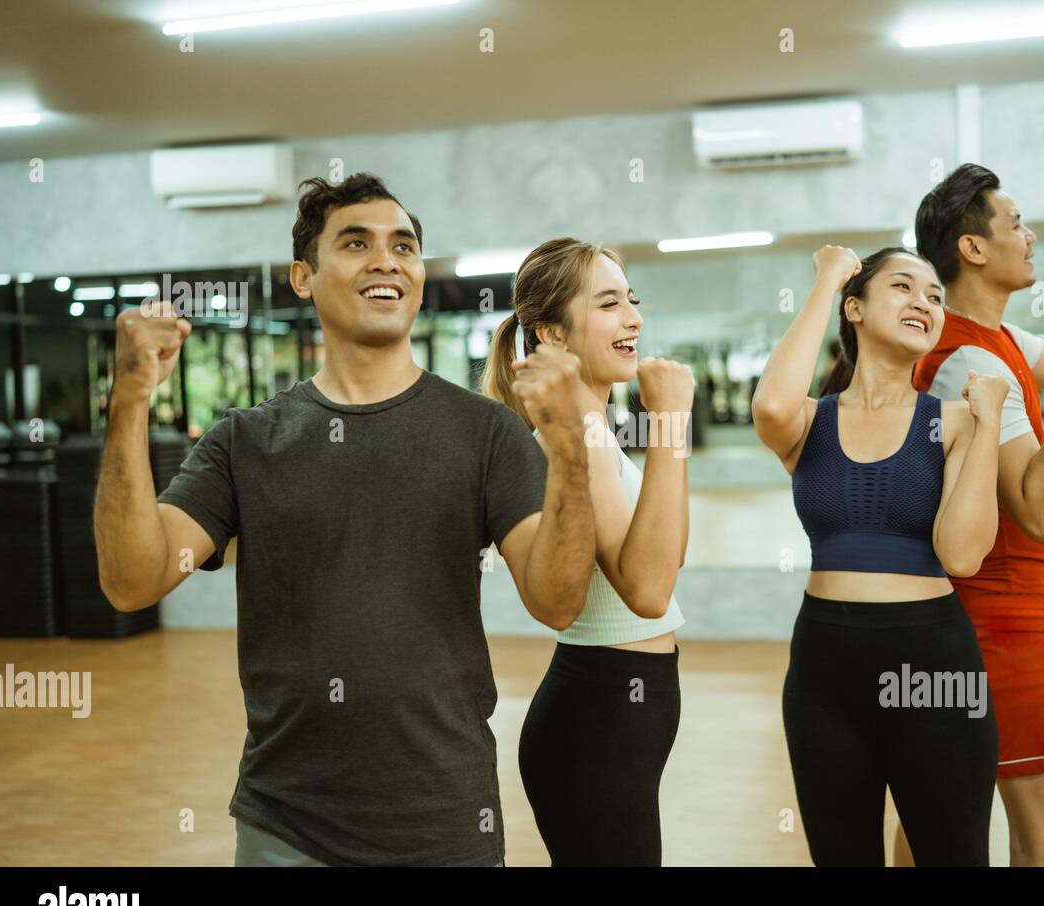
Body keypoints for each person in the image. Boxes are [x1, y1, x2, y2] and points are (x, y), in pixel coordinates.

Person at [94, 174, 597, 867]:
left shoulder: (483, 433)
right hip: (286, 826)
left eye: (404, 246)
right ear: (304, 276)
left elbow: (559, 601)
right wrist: (129, 401)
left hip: (445, 823)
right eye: (356, 244)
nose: (386, 261)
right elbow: (131, 582)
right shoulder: (244, 441)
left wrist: (570, 448)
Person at [906, 163, 1044, 867]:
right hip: (1003, 630)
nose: (1031, 237)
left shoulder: (989, 341)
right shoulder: (971, 360)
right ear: (972, 249)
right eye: (1016, 224)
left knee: (936, 841)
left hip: (979, 630)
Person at [753, 244, 1010, 866]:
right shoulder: (808, 422)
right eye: (903, 287)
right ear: (855, 309)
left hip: (934, 669)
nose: (925, 301)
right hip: (824, 674)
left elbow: (964, 554)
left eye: (935, 296)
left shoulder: (953, 421)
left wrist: (991, 423)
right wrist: (825, 279)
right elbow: (770, 406)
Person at [482, 237, 692, 866]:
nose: (634, 318)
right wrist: (673, 420)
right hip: (600, 712)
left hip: (622, 702)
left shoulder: (594, 429)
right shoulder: (572, 438)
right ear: (553, 333)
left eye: (632, 300)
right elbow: (649, 591)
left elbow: (668, 553)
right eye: (609, 303)